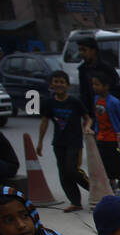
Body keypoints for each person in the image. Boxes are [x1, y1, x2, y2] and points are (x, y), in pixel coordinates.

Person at [37, 71, 87, 212]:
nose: (58, 85)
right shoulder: (49, 102)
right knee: (63, 174)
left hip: (74, 142)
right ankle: (75, 202)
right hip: (58, 143)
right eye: (56, 82)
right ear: (51, 84)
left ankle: (95, 189)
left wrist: (87, 127)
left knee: (72, 170)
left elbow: (87, 118)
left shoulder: (74, 102)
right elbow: (44, 122)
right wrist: (40, 142)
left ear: (68, 85)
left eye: (62, 82)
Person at [85, 72, 120, 194]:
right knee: (106, 165)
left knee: (119, 165)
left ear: (106, 86)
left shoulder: (114, 102)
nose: (94, 87)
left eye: (97, 84)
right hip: (102, 139)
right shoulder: (96, 100)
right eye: (93, 84)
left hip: (114, 140)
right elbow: (97, 119)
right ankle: (111, 186)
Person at [76, 37, 120, 115]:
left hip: (107, 111)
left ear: (93, 51)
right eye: (80, 50)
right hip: (92, 113)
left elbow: (117, 90)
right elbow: (84, 93)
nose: (81, 53)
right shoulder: (82, 70)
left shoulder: (105, 68)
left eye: (84, 50)